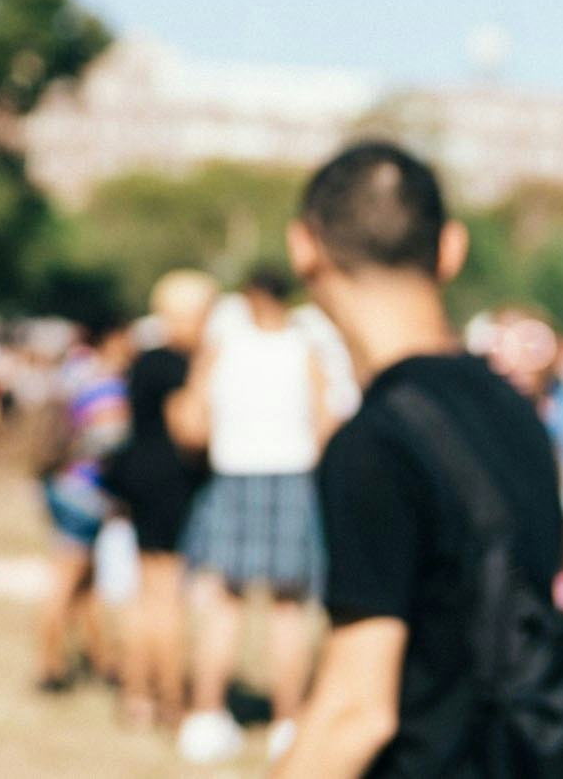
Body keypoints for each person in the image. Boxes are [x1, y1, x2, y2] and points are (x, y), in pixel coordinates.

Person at [277, 143, 563, 777]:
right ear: (452, 248)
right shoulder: (519, 411)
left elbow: (358, 712)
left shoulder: (374, 442)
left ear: (305, 247)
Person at [171, 265, 341, 764]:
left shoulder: (224, 346)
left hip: (234, 476)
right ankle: (288, 722)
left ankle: (205, 717)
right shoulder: (305, 347)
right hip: (293, 476)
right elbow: (326, 417)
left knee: (224, 603)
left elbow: (193, 420)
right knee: (289, 610)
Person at [102, 268, 217, 729]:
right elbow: (188, 429)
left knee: (143, 593)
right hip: (170, 484)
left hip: (139, 479)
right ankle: (169, 698)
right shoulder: (177, 364)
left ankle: (136, 695)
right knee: (167, 596)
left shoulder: (144, 359)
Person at [32, 318, 129, 691]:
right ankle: (48, 666)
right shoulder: (106, 383)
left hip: (60, 483)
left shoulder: (74, 373)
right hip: (87, 490)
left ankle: (101, 659)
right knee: (65, 581)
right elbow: (110, 438)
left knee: (86, 583)